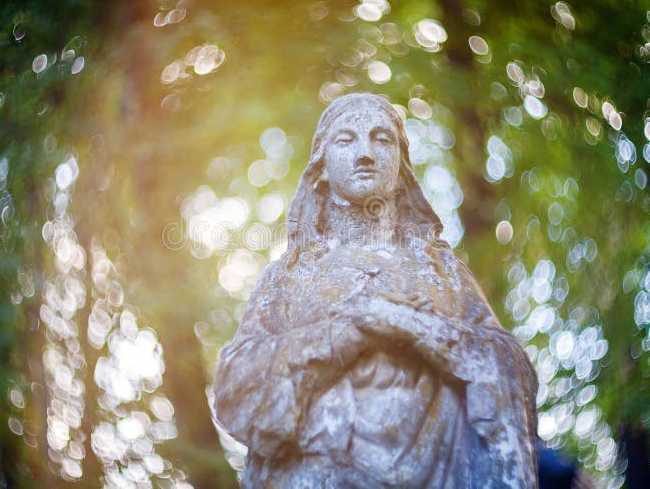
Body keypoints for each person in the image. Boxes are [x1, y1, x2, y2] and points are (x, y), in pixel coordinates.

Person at [213, 93, 538, 487]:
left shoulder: (441, 272)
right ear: (322, 168)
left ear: (402, 166)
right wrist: (349, 331)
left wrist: (413, 326)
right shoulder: (290, 277)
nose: (365, 153)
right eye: (346, 140)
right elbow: (236, 386)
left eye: (382, 139)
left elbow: (508, 365)